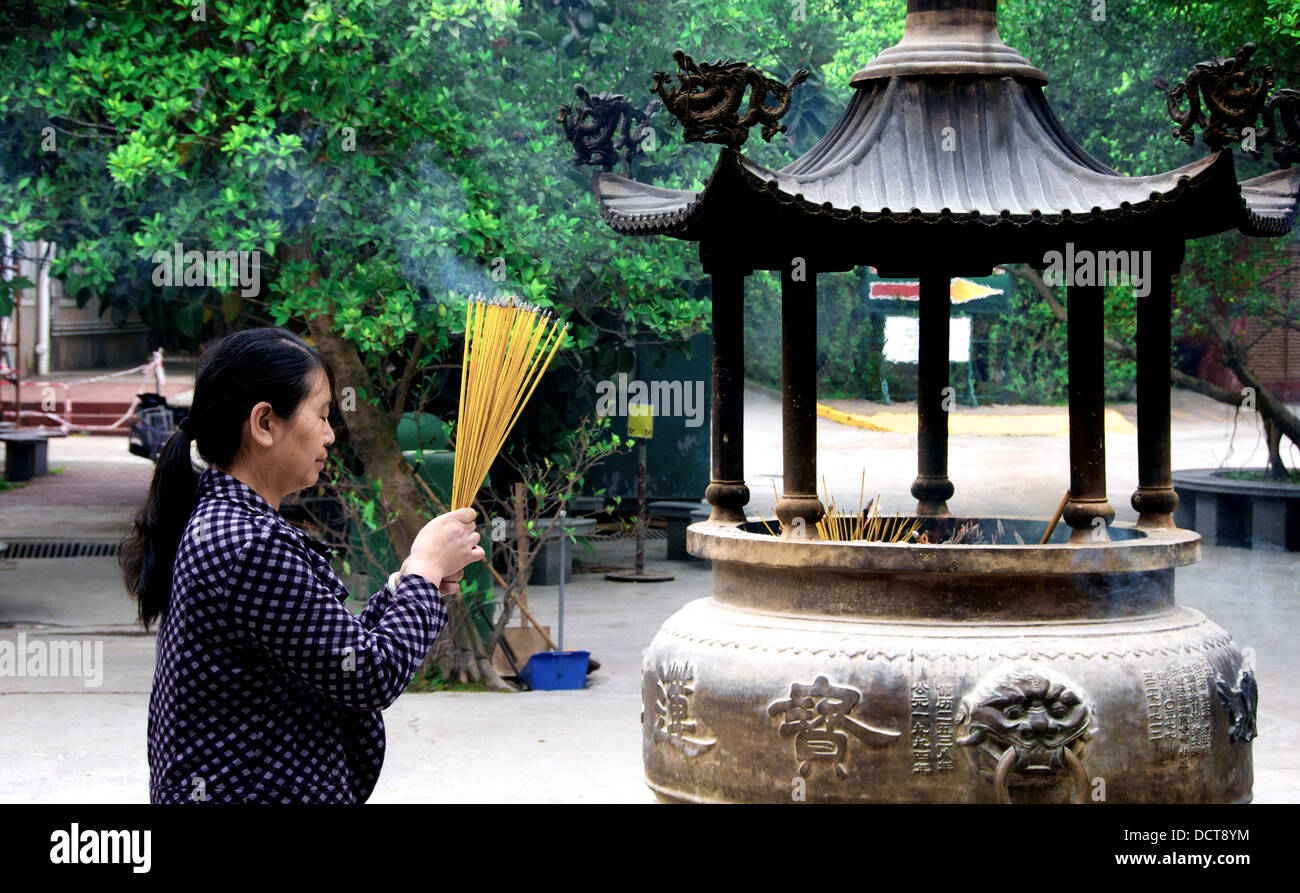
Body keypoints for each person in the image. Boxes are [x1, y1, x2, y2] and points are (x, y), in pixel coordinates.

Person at [118, 327, 483, 803]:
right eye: (322, 415)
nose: (331, 435)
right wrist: (423, 572)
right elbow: (367, 673)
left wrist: (411, 582)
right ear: (265, 423)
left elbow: (331, 650)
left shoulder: (226, 523)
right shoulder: (251, 544)